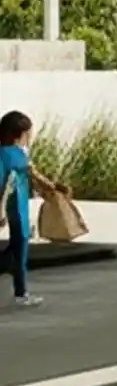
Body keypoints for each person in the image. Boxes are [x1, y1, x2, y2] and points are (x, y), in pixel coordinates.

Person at [0, 111, 69, 307]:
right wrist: (1, 209)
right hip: (16, 209)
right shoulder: (16, 156)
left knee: (15, 248)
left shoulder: (7, 153)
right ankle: (21, 293)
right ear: (20, 134)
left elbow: (32, 175)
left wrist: (53, 186)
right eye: (28, 133)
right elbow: (12, 182)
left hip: (12, 206)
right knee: (20, 248)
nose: (30, 137)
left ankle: (10, 272)